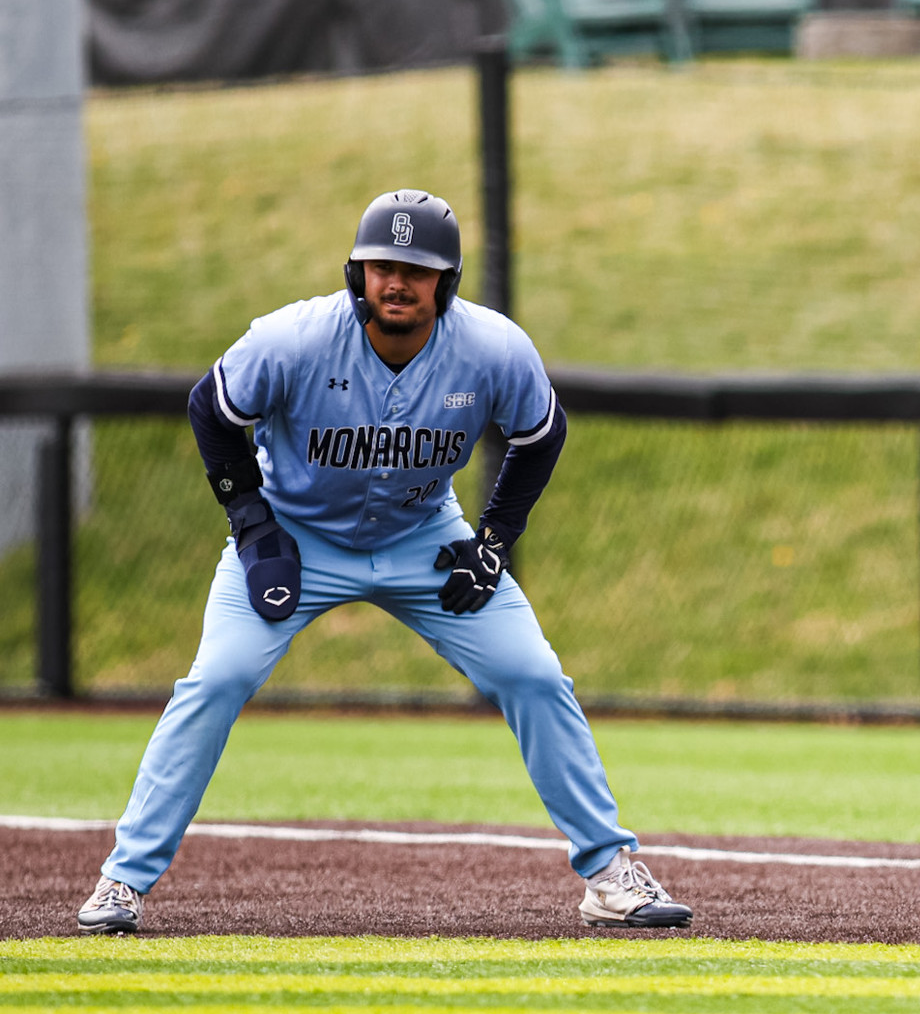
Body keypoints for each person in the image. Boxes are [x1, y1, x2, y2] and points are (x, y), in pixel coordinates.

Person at [76, 190, 690, 935]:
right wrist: (251, 523)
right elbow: (213, 407)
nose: (396, 282)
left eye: (416, 269)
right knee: (217, 679)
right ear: (356, 273)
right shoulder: (294, 339)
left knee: (532, 673)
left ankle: (608, 871)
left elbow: (541, 434)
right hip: (293, 536)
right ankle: (122, 882)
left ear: (447, 282)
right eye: (380, 266)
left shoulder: (491, 348)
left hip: (423, 536)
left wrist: (493, 540)